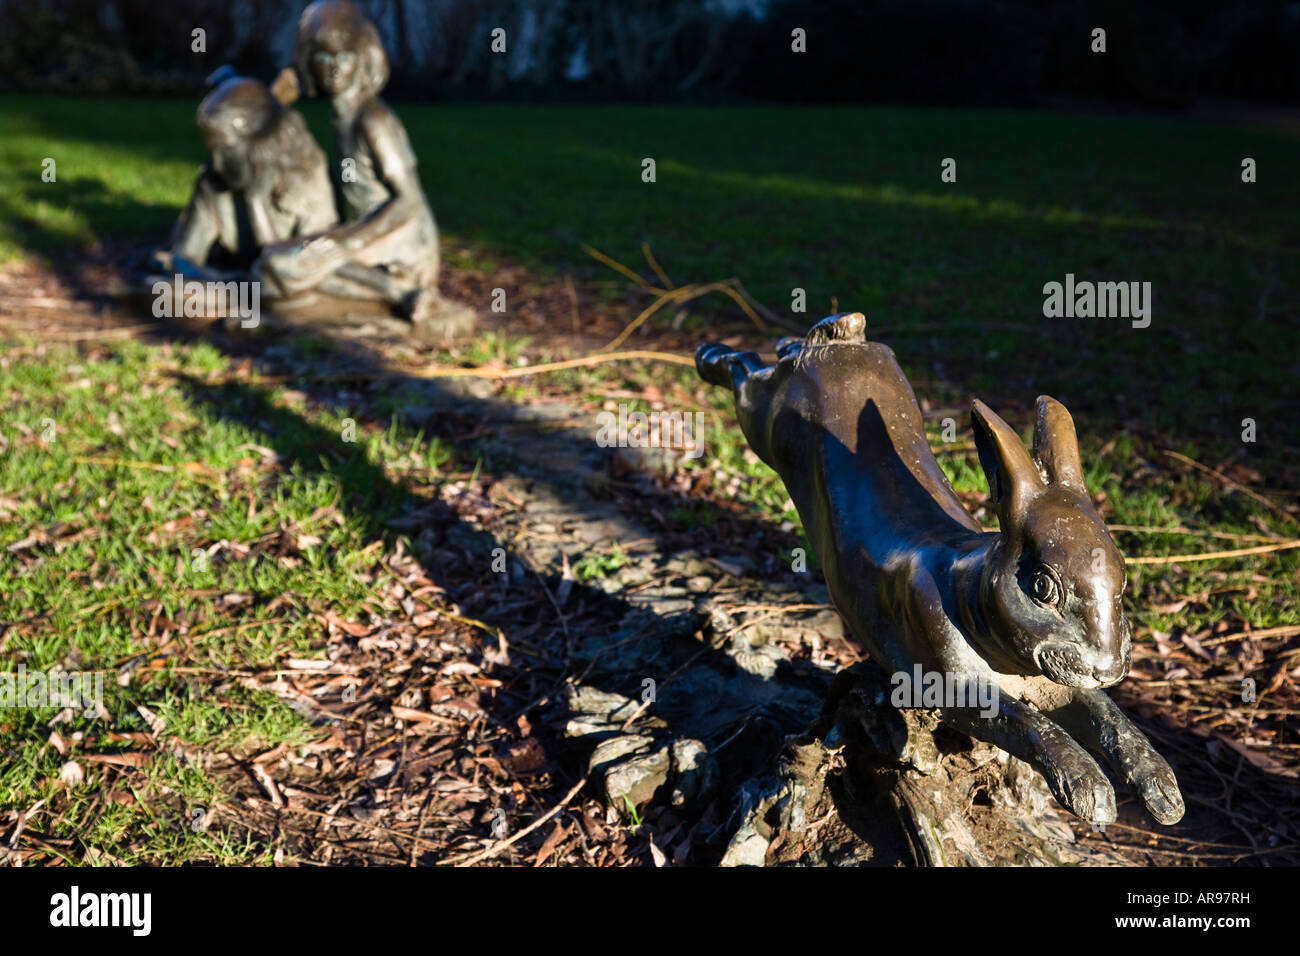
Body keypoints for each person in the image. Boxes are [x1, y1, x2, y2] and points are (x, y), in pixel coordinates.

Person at [255, 0, 473, 333]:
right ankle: (397, 294)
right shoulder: (342, 116)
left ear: (363, 57)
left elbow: (411, 202)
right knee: (273, 267)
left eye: (344, 56)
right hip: (364, 234)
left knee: (276, 265)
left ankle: (401, 290)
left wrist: (347, 244)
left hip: (400, 240)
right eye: (323, 57)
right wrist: (274, 100)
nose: (333, 67)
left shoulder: (374, 120)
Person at [162, 69, 337, 285]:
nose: (216, 163)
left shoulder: (307, 179)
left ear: (255, 143)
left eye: (224, 150)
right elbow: (183, 260)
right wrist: (230, 282)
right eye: (212, 150)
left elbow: (303, 269)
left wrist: (257, 203)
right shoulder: (215, 178)